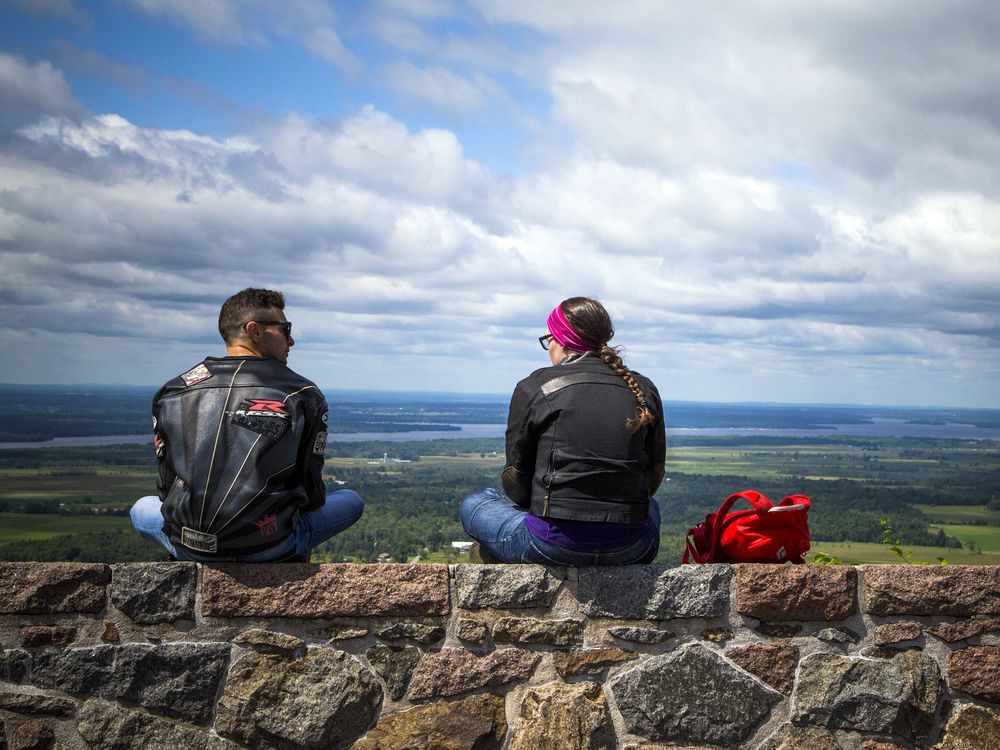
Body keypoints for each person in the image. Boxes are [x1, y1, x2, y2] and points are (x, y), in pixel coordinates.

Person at [130, 288, 363, 562]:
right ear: (255, 331)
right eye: (285, 329)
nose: (292, 341)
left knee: (141, 508)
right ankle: (288, 563)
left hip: (186, 544)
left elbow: (167, 487)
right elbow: (311, 492)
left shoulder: (174, 389)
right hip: (267, 546)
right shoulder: (302, 393)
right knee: (351, 501)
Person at [461, 297, 665, 564]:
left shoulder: (534, 386)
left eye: (548, 339)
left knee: (476, 503)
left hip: (552, 544)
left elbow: (516, 482)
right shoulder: (643, 388)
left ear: (560, 339)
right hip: (634, 545)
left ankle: (501, 555)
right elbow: (653, 476)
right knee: (651, 508)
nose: (548, 348)